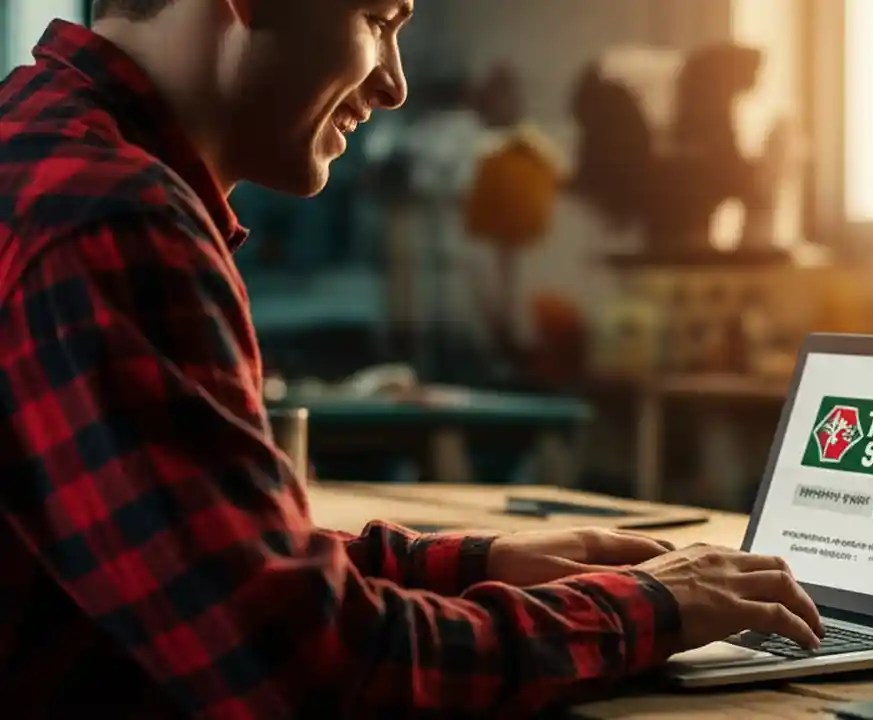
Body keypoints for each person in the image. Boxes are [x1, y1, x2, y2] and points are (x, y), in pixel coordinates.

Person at [0, 1, 824, 716]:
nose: (393, 82)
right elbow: (310, 671)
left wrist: (477, 563)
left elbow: (198, 563)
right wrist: (645, 608)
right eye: (377, 20)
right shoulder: (114, 219)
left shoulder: (38, 145)